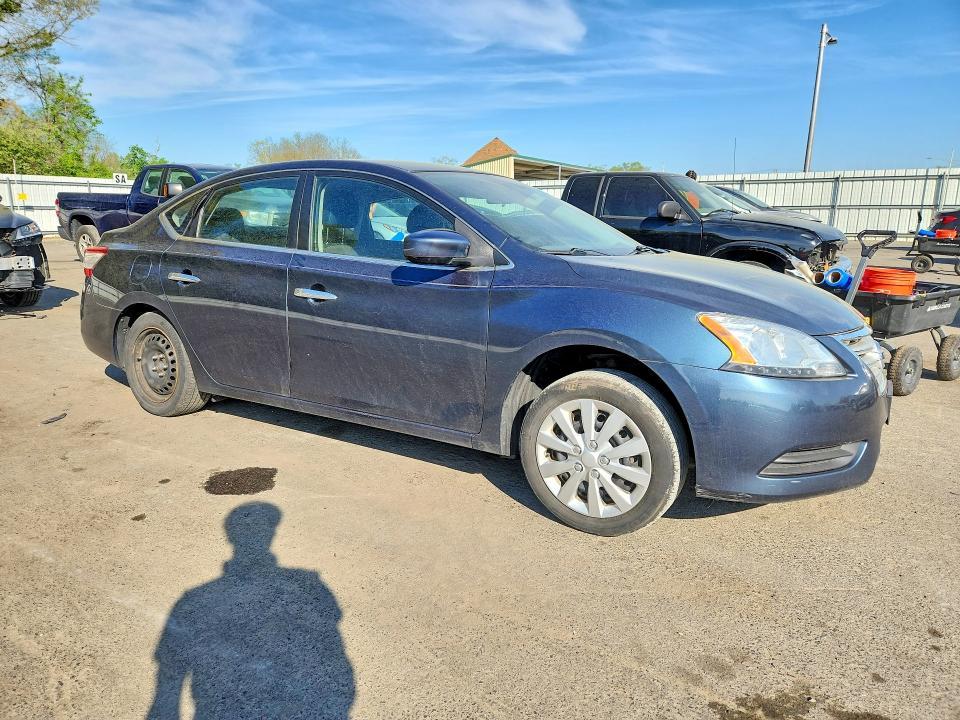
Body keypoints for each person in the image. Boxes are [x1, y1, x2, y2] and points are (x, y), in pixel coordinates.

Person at [147, 502, 355, 719]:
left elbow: (168, 681)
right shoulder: (306, 584)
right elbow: (169, 675)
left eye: (262, 528)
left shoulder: (194, 600)